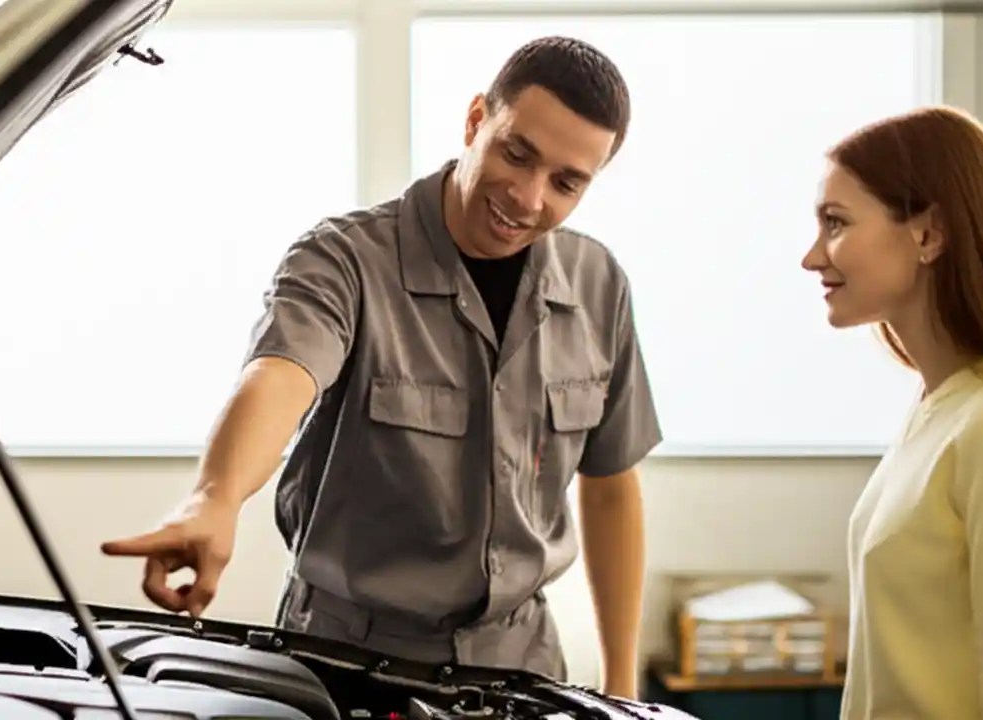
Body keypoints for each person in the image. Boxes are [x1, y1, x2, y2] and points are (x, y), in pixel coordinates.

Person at [101, 36, 662, 694]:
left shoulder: (598, 283)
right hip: (345, 659)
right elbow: (281, 377)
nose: (529, 197)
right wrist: (216, 498)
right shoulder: (344, 260)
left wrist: (623, 686)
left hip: (520, 664)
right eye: (517, 154)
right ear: (476, 120)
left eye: (566, 183)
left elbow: (611, 484)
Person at [800, 105, 983, 719]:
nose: (812, 257)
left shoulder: (982, 425)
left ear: (928, 234)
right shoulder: (936, 409)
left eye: (835, 223)